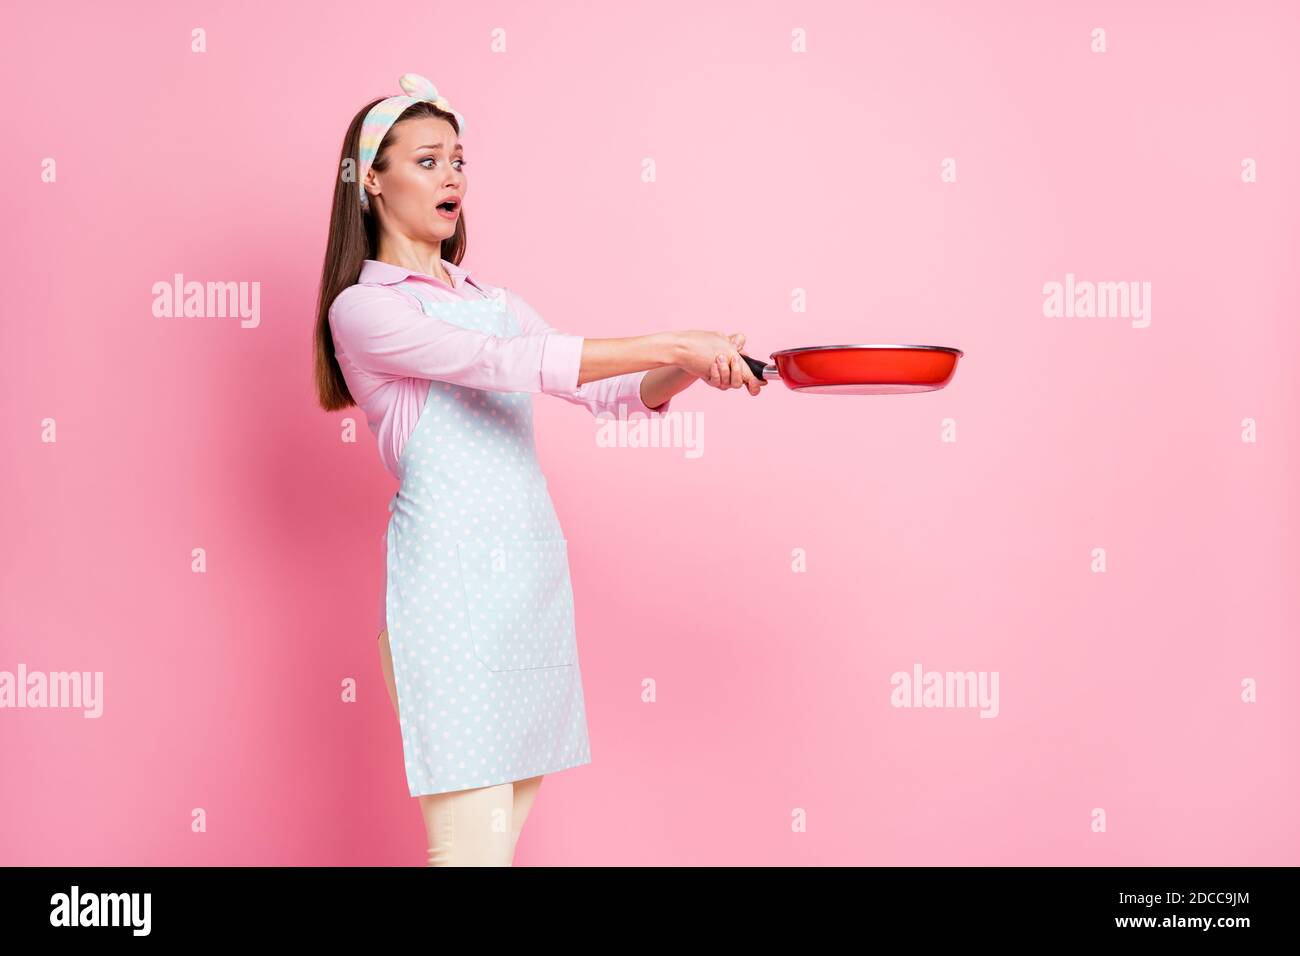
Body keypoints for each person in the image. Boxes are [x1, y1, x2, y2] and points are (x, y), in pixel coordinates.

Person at [312, 73, 764, 866]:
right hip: (447, 600)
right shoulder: (366, 308)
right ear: (371, 181)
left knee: (492, 851)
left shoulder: (495, 297)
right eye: (427, 160)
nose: (453, 174)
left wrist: (695, 367)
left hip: (527, 591)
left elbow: (613, 393)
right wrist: (673, 341)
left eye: (458, 158)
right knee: (470, 854)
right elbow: (500, 363)